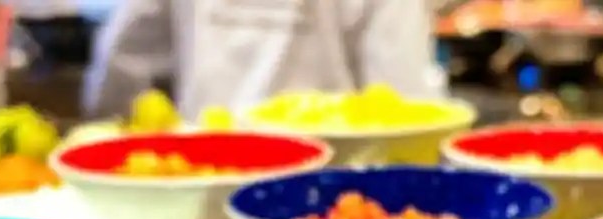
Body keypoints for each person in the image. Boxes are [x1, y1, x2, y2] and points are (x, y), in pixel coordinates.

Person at [82, 0, 448, 121]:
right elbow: (409, 101)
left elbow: (123, 58)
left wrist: (109, 125)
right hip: (326, 191)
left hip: (200, 177)